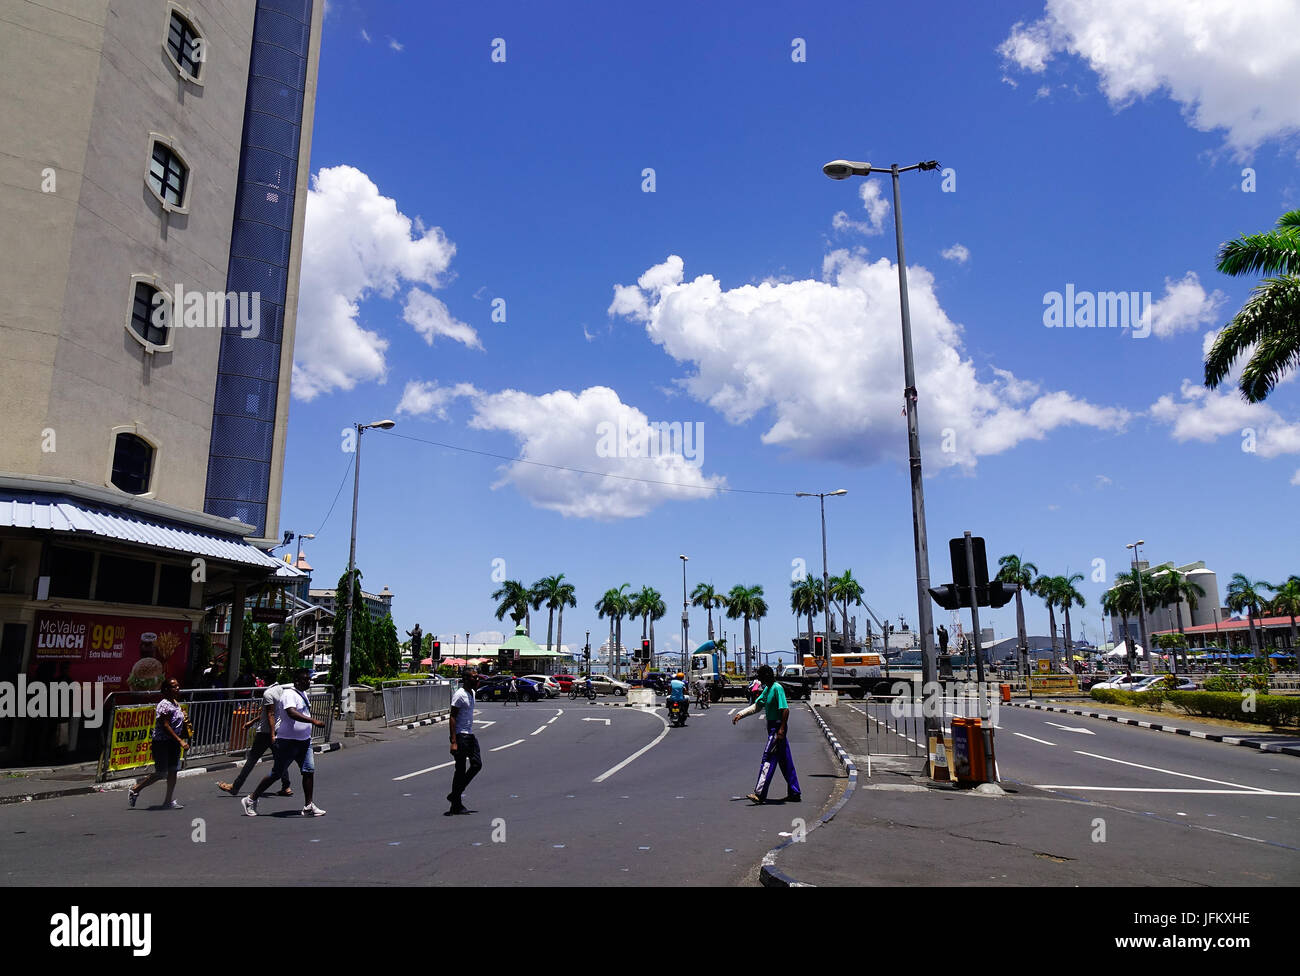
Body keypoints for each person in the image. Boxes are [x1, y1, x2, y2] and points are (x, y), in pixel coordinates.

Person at [241, 670, 325, 817]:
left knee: (308, 771)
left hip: (304, 741)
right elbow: (291, 712)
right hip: (287, 742)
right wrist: (313, 721)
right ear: (296, 681)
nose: (308, 682)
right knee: (276, 773)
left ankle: (308, 805)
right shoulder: (289, 695)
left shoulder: (303, 694)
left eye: (309, 680)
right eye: (305, 680)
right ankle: (251, 799)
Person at [732, 665, 800, 805]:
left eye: (761, 677)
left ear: (766, 676)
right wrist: (741, 714)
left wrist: (781, 729)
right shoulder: (767, 690)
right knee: (785, 761)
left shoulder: (776, 688)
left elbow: (785, 710)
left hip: (777, 729)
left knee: (768, 759)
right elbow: (757, 706)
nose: (760, 680)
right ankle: (795, 792)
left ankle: (760, 794)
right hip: (773, 728)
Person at [218, 681, 292, 797]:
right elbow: (267, 712)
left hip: (265, 732)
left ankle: (235, 786)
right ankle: (286, 786)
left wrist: (271, 733)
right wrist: (252, 722)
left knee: (251, 760)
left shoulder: (268, 693)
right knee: (280, 759)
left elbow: (270, 714)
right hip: (277, 730)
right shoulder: (282, 691)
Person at [128, 678, 188, 810]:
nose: (177, 688)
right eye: (173, 686)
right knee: (161, 773)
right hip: (162, 742)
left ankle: (168, 800)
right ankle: (136, 789)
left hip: (173, 743)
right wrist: (180, 740)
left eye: (178, 686)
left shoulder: (176, 703)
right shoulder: (164, 704)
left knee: (173, 771)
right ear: (166, 690)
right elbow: (165, 725)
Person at [446, 666, 481, 815]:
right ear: (466, 679)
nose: (477, 679)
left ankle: (455, 795)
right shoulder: (459, 695)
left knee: (477, 764)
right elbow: (452, 717)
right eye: (474, 677)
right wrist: (454, 741)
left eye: (477, 676)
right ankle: (456, 804)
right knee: (460, 770)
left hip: (470, 735)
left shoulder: (472, 692)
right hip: (460, 736)